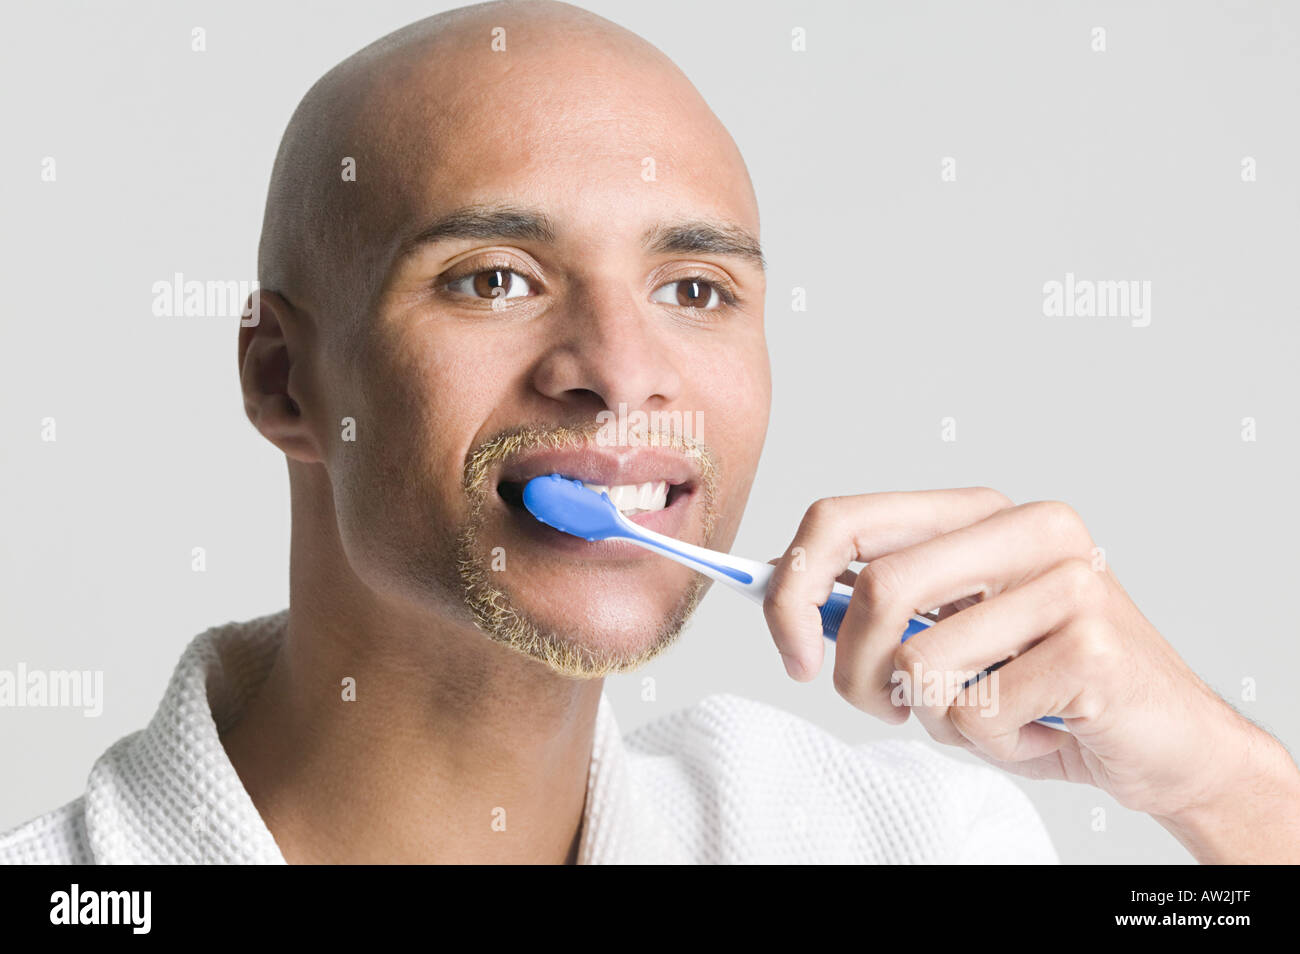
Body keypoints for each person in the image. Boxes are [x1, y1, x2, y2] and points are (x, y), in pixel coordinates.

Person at [4, 0, 1297, 864]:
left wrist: (1225, 791)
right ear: (286, 379)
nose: (621, 376)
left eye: (694, 291)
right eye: (494, 276)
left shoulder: (905, 844)